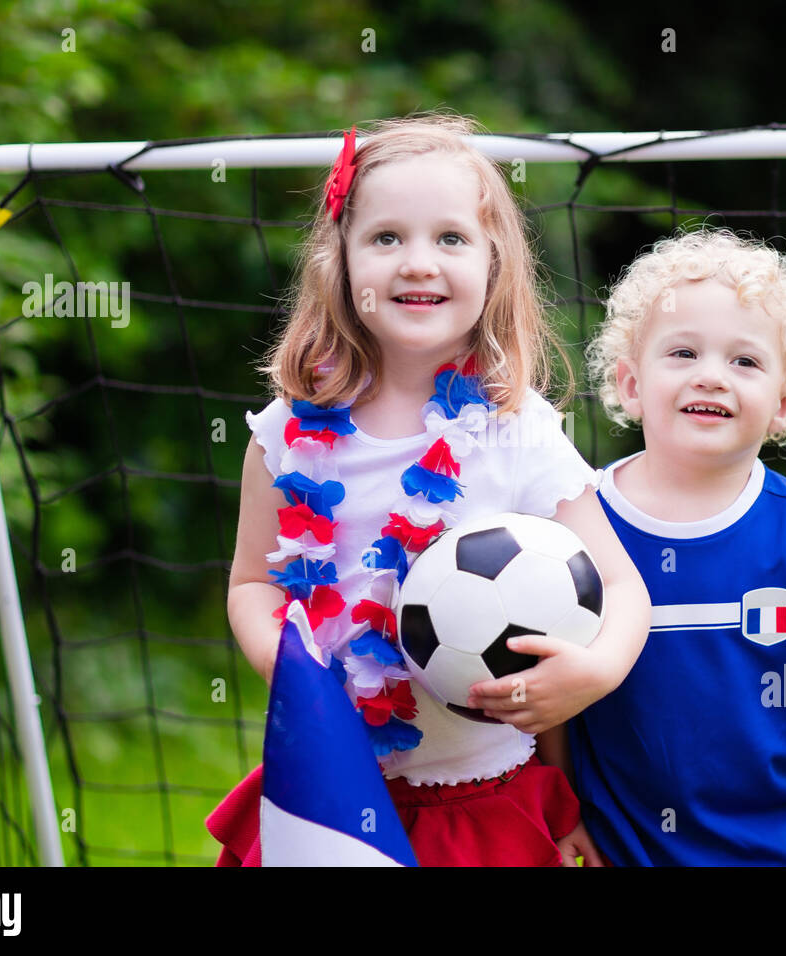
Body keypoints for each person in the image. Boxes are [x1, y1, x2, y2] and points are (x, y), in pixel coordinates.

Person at [206, 114, 650, 867]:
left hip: (482, 798)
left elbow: (618, 584)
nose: (418, 263)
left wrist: (593, 672)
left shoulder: (519, 430)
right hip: (328, 793)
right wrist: (295, 674)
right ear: (338, 261)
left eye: (450, 239)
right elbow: (252, 582)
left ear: (494, 264)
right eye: (386, 238)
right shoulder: (285, 434)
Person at [556, 228, 786, 866]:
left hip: (775, 850)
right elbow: (553, 686)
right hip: (626, 849)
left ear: (784, 404)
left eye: (745, 361)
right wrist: (563, 803)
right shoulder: (580, 520)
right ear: (630, 383)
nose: (712, 377)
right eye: (683, 353)